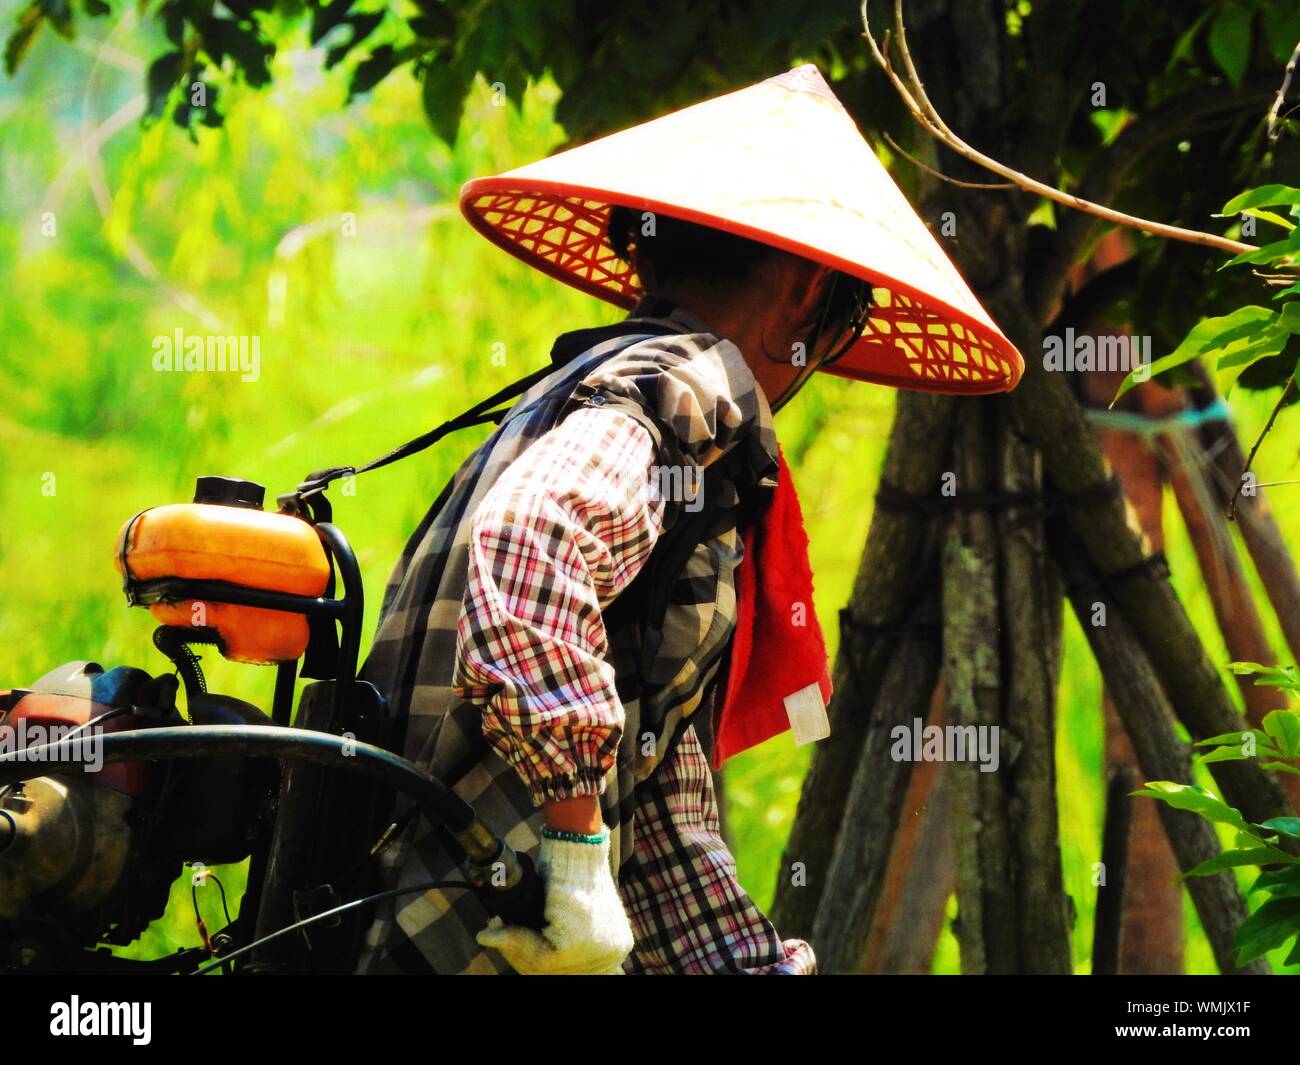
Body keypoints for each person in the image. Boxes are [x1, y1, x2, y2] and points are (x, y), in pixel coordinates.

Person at [354, 64, 1021, 975]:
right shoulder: (691, 383)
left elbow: (664, 828)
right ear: (806, 288)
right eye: (845, 312)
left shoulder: (585, 394)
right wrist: (581, 853)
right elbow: (530, 543)